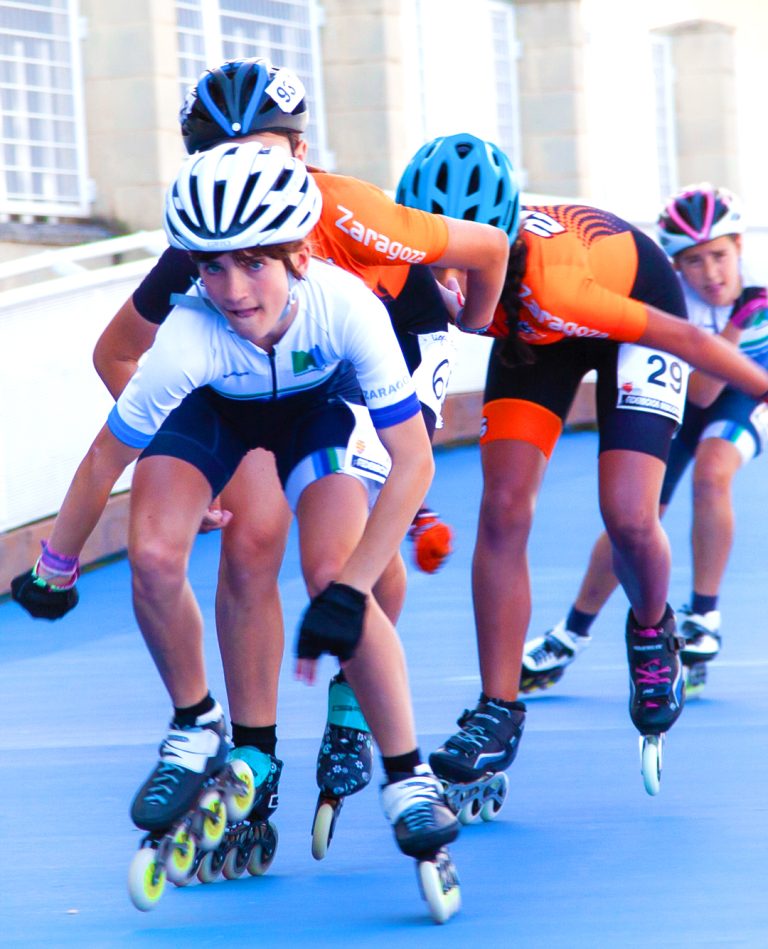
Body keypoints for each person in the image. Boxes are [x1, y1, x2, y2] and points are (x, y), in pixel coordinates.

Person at [11, 143, 462, 919]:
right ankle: (196, 723)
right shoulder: (189, 337)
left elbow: (414, 464)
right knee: (153, 555)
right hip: (215, 410)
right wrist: (56, 565)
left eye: (252, 264)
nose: (232, 289)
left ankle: (409, 775)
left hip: (319, 412)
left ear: (297, 254)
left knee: (331, 577)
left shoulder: (348, 306)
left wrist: (355, 588)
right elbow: (100, 461)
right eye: (211, 268)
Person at [86, 58, 509, 832]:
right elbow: (117, 355)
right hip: (258, 386)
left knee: (346, 560)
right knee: (251, 538)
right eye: (222, 156)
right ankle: (255, 753)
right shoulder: (206, 240)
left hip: (375, 360)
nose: (243, 170)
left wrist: (476, 321)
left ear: (301, 150)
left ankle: (358, 705)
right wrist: (183, 454)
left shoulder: (353, 211)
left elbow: (485, 248)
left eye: (264, 151)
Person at [396, 134, 768, 799]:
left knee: (629, 515)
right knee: (503, 507)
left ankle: (654, 629)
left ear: (499, 244)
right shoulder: (407, 270)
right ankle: (497, 706)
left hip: (622, 306)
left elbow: (685, 338)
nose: (448, 285)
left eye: (463, 265)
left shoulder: (558, 283)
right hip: (532, 332)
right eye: (434, 260)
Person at [522, 184, 768, 695]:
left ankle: (704, 615)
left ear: (740, 247)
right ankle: (572, 632)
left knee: (712, 473)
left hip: (746, 397)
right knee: (635, 519)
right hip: (693, 392)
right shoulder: (674, 299)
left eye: (719, 256)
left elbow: (719, 397)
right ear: (676, 267)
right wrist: (733, 331)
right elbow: (698, 394)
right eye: (694, 262)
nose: (712, 273)